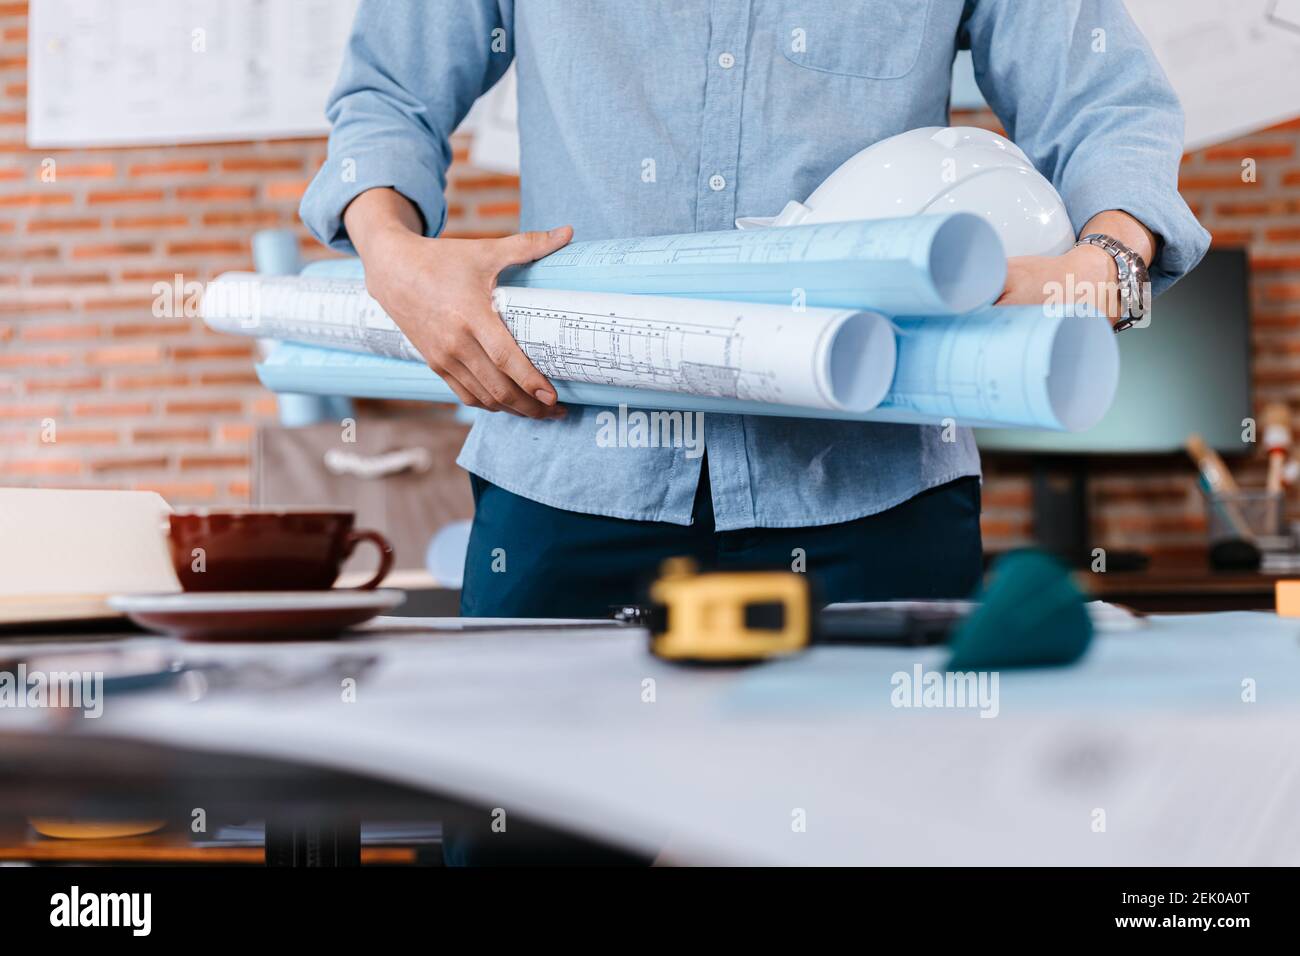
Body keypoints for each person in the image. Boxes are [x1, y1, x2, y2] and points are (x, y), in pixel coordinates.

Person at [301, 0, 1209, 620]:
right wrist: (395, 256)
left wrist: (1104, 269)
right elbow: (387, 92)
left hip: (872, 490)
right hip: (566, 477)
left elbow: (1108, 104)